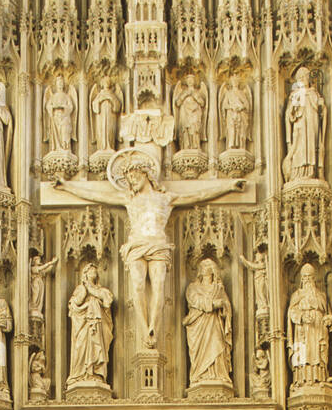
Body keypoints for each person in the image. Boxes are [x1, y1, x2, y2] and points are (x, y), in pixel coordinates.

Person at [55, 152, 243, 348]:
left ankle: (154, 326)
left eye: (134, 176)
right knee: (137, 285)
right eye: (129, 178)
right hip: (136, 244)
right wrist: (67, 186)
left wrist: (229, 186)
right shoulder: (129, 199)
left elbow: (199, 195)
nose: (132, 181)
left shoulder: (165, 198)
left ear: (145, 174)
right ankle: (144, 328)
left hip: (158, 244)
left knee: (159, 285)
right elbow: (96, 195)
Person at [184, 258, 232, 388]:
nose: (205, 268)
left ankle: (218, 374)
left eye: (208, 266)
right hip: (199, 325)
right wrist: (213, 304)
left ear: (213, 271)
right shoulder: (193, 287)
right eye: (203, 266)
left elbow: (227, 307)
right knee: (201, 353)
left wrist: (223, 307)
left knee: (217, 344)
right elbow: (194, 300)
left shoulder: (218, 288)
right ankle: (200, 375)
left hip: (215, 323)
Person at [67, 262, 114, 389]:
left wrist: (91, 291)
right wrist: (85, 298)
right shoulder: (80, 289)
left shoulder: (101, 290)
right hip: (84, 325)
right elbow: (74, 305)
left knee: (97, 347)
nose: (94, 272)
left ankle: (96, 373)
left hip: (98, 326)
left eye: (95, 271)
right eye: (91, 271)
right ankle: (80, 374)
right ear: (85, 274)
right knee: (81, 346)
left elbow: (107, 302)